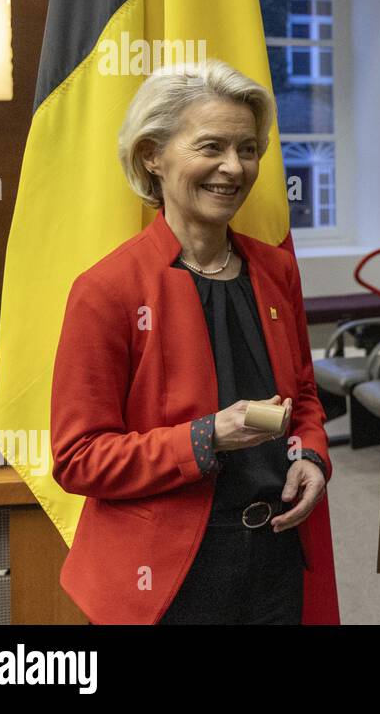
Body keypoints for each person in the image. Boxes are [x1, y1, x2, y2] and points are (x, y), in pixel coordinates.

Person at [51, 58, 339, 624]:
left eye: (248, 149)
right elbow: (78, 458)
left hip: (275, 562)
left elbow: (302, 397)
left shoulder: (275, 271)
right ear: (151, 156)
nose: (234, 168)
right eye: (211, 147)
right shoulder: (105, 290)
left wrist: (311, 457)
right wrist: (205, 438)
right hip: (165, 579)